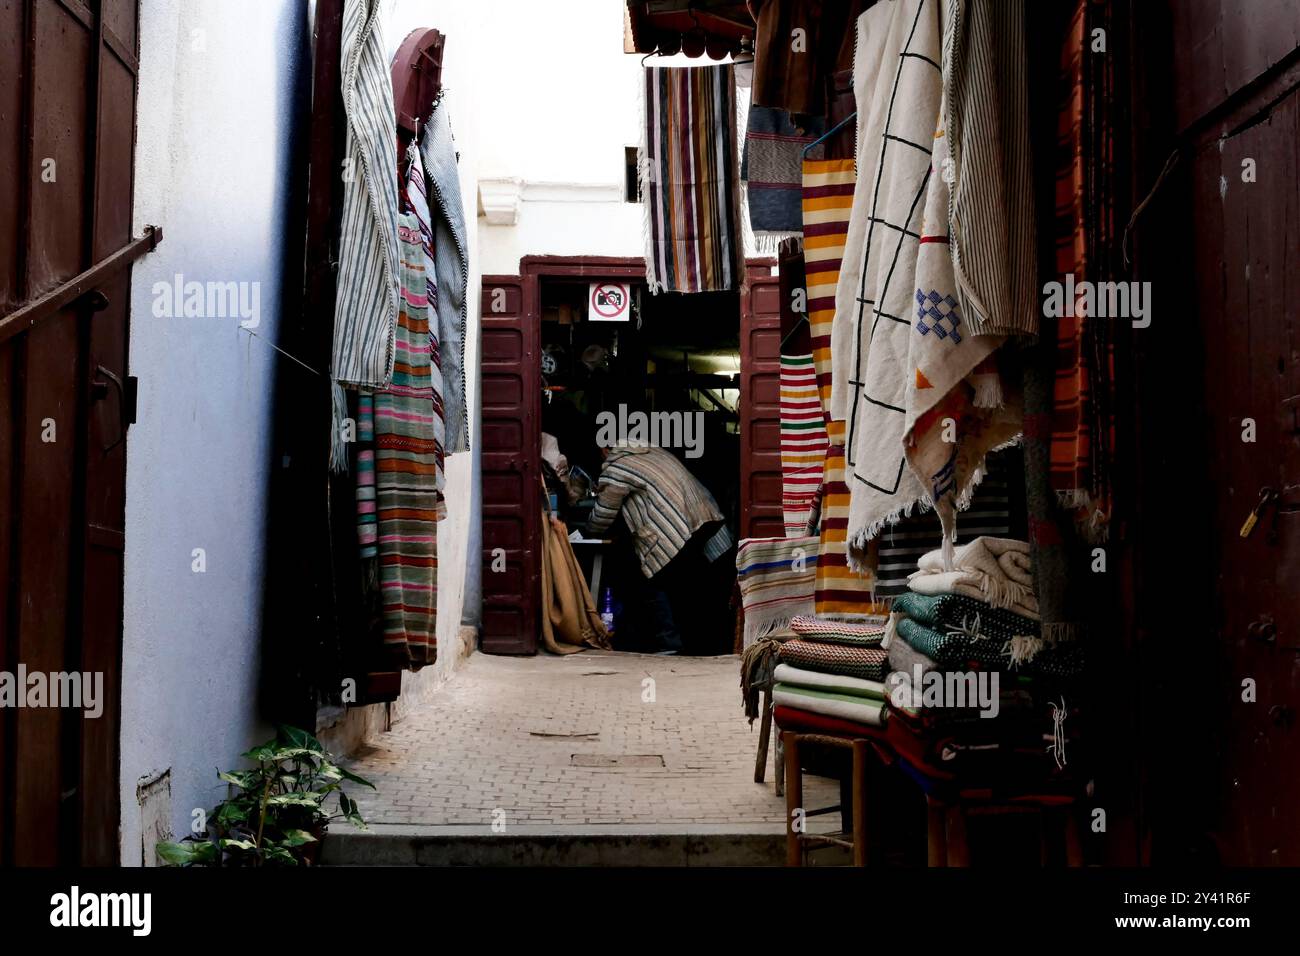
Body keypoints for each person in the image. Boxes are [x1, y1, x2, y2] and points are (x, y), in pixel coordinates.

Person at [586, 443, 733, 654]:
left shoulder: (617, 467)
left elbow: (602, 517)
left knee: (659, 585)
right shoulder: (654, 451)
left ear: (604, 449)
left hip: (676, 532)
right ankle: (704, 646)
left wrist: (586, 527)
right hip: (706, 519)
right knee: (700, 590)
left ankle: (671, 647)